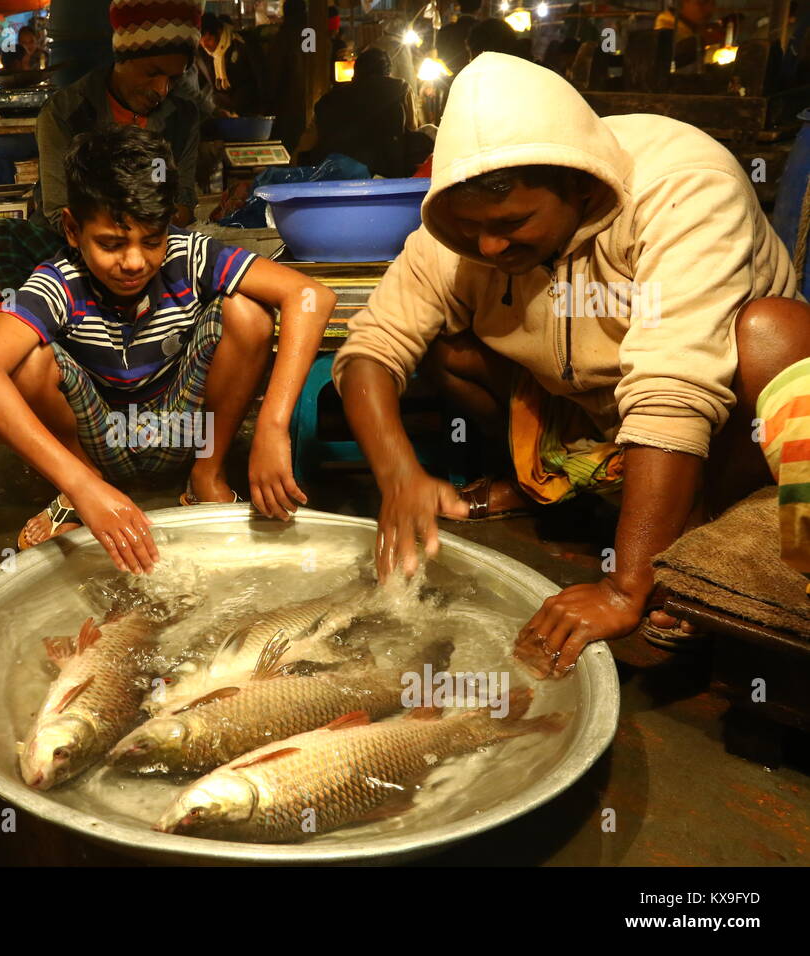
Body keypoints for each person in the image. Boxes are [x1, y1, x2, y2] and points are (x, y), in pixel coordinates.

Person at [333, 53, 809, 677]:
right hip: (585, 412)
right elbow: (370, 346)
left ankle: (699, 533)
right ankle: (561, 493)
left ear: (580, 185)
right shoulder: (462, 229)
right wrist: (399, 474)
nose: (489, 246)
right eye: (472, 229)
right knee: (444, 351)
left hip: (717, 423)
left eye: (512, 224)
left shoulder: (685, 187)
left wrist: (625, 583)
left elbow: (675, 386)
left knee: (773, 334)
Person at [0, 125, 333, 575]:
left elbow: (311, 297)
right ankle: (83, 491)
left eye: (151, 240)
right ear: (73, 229)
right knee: (27, 362)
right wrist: (82, 485)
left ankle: (206, 476)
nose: (134, 262)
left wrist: (272, 426)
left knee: (248, 311)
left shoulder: (187, 254)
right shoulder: (57, 282)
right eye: (111, 244)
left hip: (183, 430)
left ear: (169, 222)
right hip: (103, 440)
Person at [0, 0, 204, 295]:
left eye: (173, 78)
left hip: (150, 248)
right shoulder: (65, 114)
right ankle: (53, 316)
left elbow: (182, 196)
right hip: (77, 247)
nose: (161, 90)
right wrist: (112, 240)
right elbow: (57, 210)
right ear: (121, 59)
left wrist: (146, 237)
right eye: (151, 73)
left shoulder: (182, 115)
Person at [300, 48, 420, 178]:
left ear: (356, 70)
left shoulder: (328, 99)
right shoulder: (401, 88)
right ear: (388, 72)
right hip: (386, 172)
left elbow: (309, 141)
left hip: (334, 175)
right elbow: (413, 126)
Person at [265, 0, 310, 156]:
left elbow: (273, 72)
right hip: (306, 98)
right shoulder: (310, 32)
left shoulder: (284, 36)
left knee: (288, 147)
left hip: (287, 102)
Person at [196, 13, 263, 117]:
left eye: (208, 40)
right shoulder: (202, 55)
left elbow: (261, 77)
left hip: (249, 112)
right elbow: (201, 83)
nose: (205, 45)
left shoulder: (242, 43)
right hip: (222, 113)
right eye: (201, 42)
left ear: (219, 31)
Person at [438, 0, 482, 74]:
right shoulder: (484, 30)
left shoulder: (446, 30)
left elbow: (440, 56)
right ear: (479, 9)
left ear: (459, 6)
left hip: (449, 78)